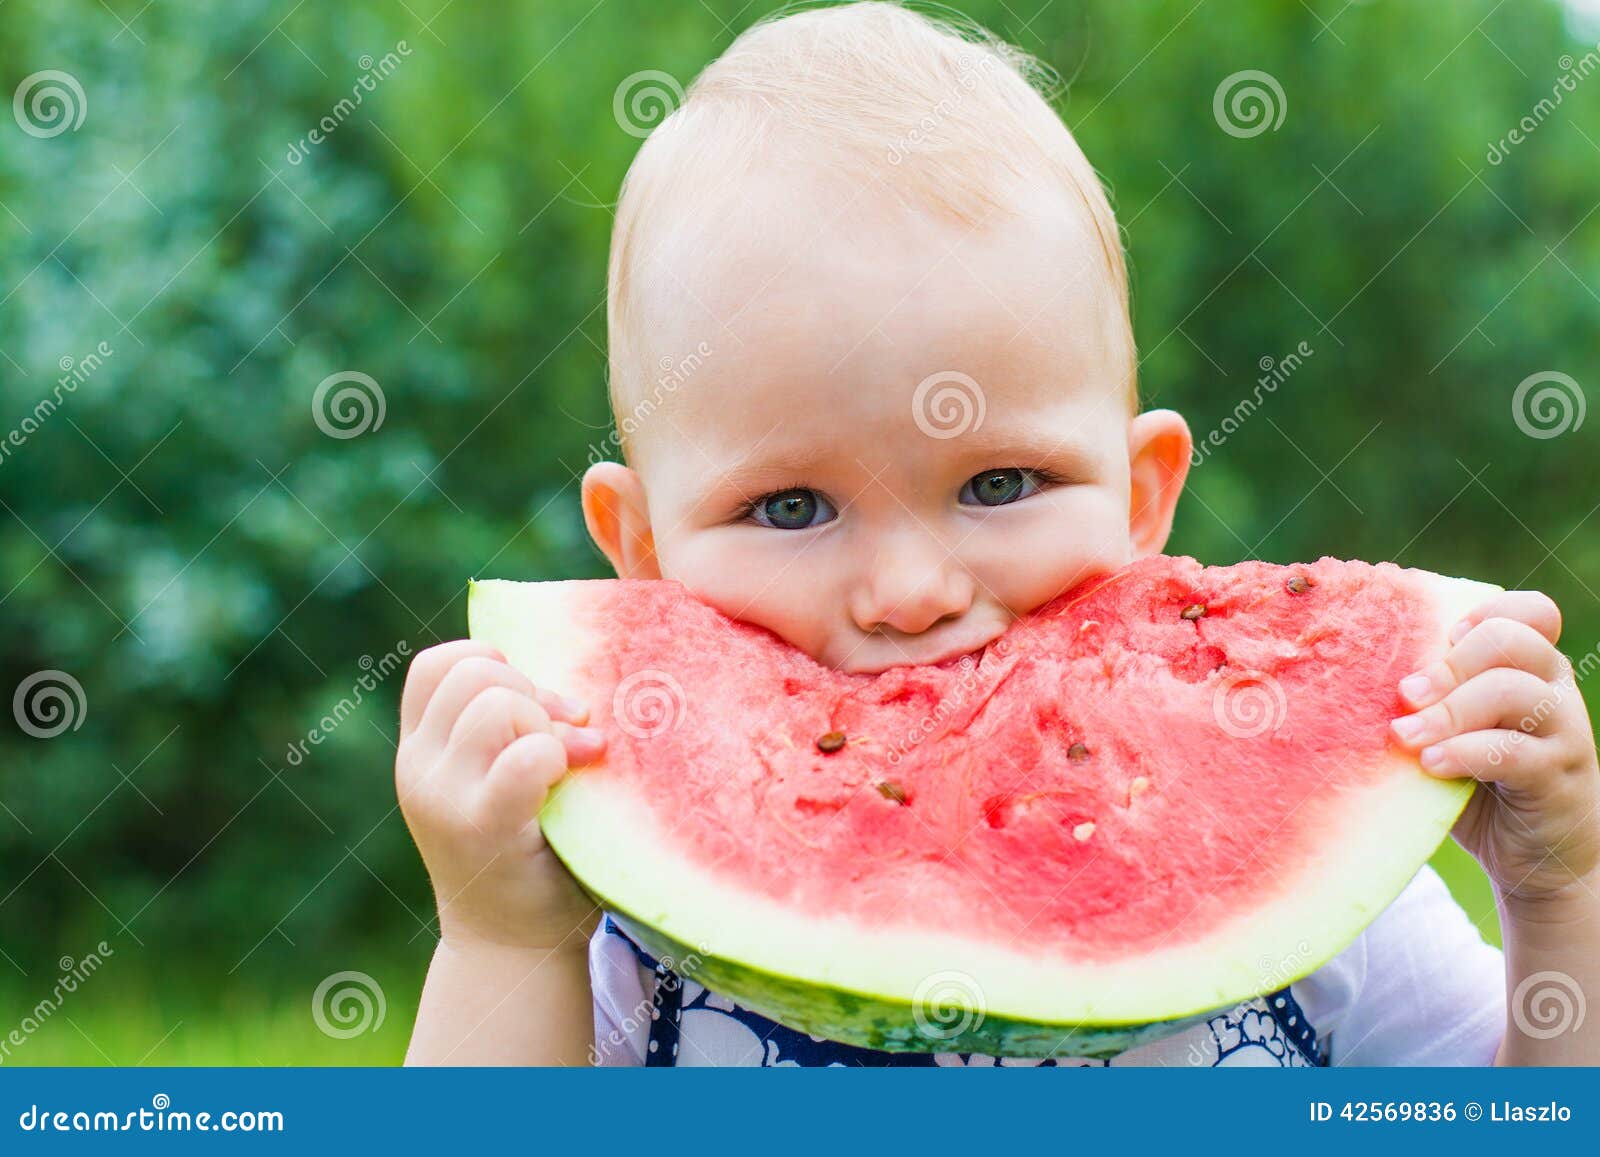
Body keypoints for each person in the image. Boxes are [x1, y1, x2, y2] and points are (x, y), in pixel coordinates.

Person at [396, 1, 1600, 1066]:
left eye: (1000, 481)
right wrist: (501, 934)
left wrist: (1558, 894)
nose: (910, 590)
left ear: (1140, 494)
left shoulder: (1347, 913)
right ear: (642, 548)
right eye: (790, 506)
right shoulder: (624, 937)